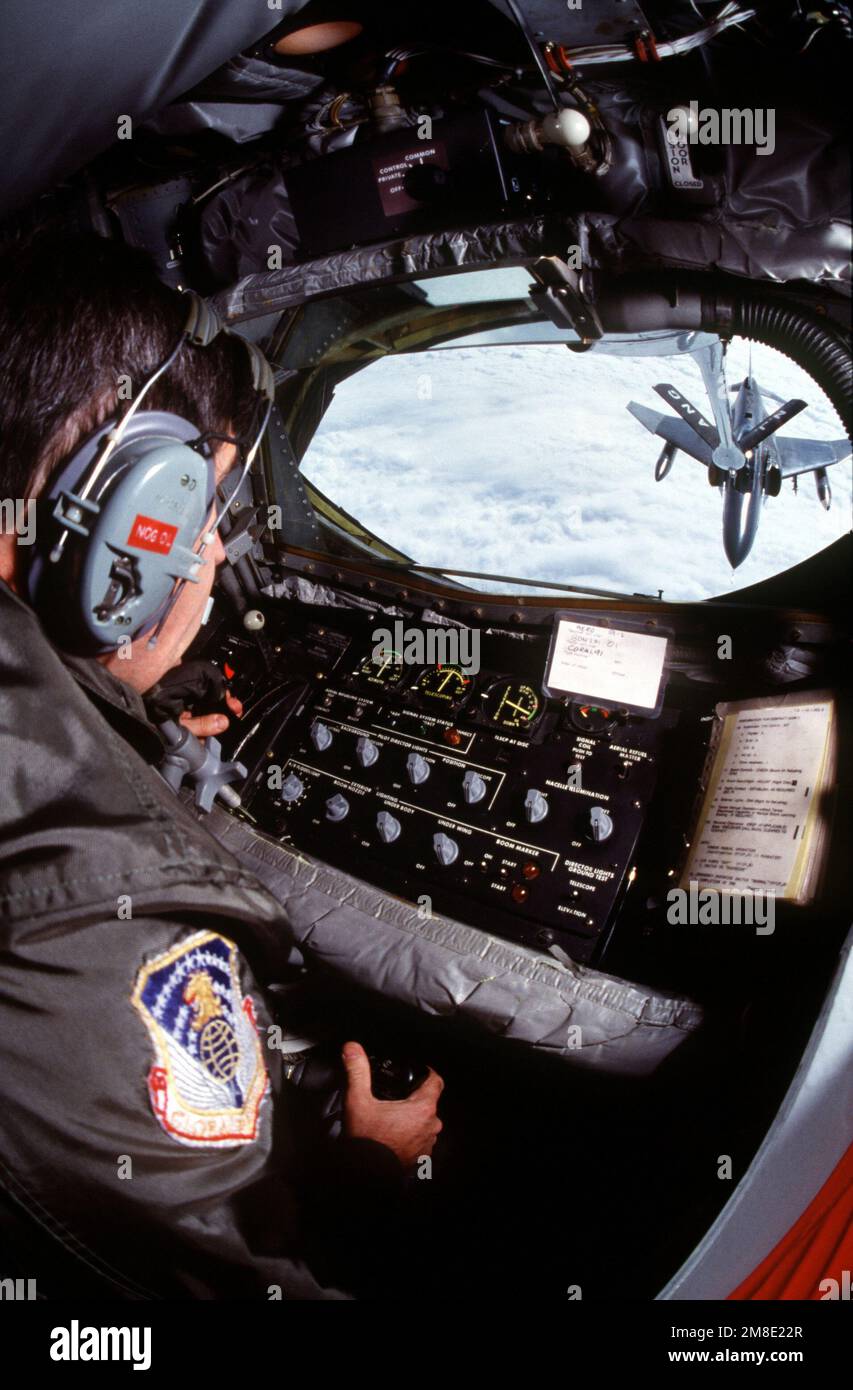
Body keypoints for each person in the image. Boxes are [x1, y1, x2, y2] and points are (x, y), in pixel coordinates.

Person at [0, 231, 443, 1299]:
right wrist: (370, 1166)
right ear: (117, 518)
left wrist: (113, 723)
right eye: (200, 515)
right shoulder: (103, 945)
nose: (208, 563)